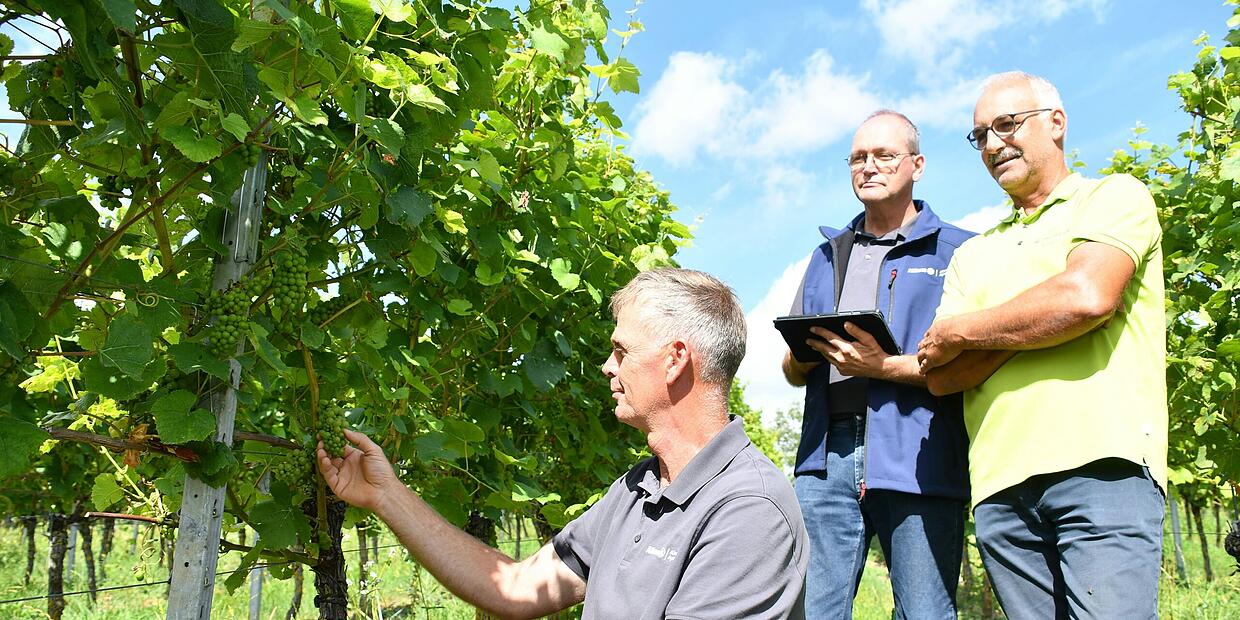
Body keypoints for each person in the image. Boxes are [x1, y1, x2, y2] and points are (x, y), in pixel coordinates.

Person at [319, 268, 808, 619]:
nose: (607, 366)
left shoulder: (749, 509)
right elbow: (516, 587)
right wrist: (386, 494)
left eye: (621, 351)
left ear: (675, 360)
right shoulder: (640, 488)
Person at [917, 71, 1167, 619]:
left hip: (1103, 466)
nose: (991, 144)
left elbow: (1086, 296)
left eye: (1006, 124)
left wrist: (966, 330)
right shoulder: (973, 254)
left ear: (1056, 123)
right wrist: (1037, 324)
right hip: (1000, 491)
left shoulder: (1113, 196)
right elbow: (940, 374)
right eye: (979, 135)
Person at [781, 110, 974, 619]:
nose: (869, 166)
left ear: (917, 164)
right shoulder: (827, 255)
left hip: (919, 451)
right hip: (827, 456)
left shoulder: (960, 251)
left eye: (884, 155)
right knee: (814, 611)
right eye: (858, 158)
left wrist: (880, 365)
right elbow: (790, 369)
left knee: (924, 612)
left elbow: (970, 362)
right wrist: (804, 353)